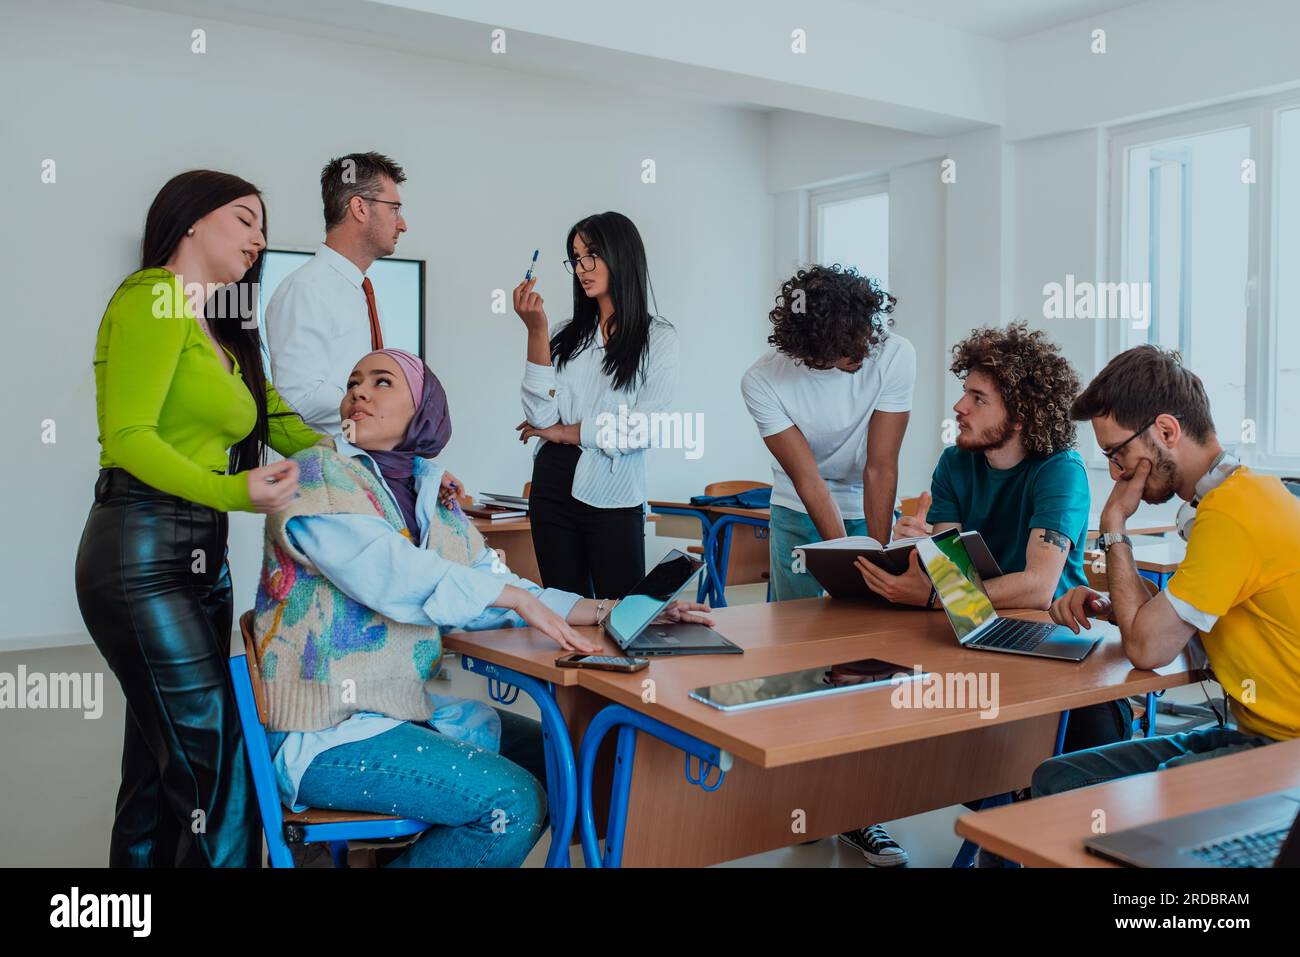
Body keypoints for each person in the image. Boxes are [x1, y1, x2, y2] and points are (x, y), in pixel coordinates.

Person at [257, 349, 712, 866]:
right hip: (323, 733)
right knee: (512, 804)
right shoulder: (317, 476)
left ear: (422, 411)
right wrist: (513, 596)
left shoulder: (426, 494)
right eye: (353, 381)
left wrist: (616, 608)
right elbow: (394, 575)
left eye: (381, 382)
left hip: (397, 711)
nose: (358, 391)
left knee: (571, 762)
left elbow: (498, 586)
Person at [75, 170, 325, 867]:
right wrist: (236, 491)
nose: (259, 237)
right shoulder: (152, 296)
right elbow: (128, 436)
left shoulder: (222, 333)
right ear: (190, 221)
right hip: (141, 554)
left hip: (200, 565)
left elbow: (290, 428)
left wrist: (406, 461)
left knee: (161, 769)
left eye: (263, 226)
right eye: (244, 218)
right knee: (219, 762)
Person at [848, 322, 1134, 865]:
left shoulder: (1060, 470)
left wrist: (936, 592)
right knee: (918, 720)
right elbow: (946, 566)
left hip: (1058, 651)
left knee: (1081, 750)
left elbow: (1038, 583)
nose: (959, 406)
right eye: (965, 393)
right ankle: (999, 816)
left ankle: (1031, 820)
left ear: (1020, 416)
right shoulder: (956, 462)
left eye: (978, 398)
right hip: (974, 635)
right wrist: (921, 548)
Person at [1034, 345, 1300, 797]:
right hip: (1256, 734)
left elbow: (1147, 649)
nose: (1117, 474)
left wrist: (1114, 525)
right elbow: (1168, 623)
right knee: (1058, 777)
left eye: (1118, 453)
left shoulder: (1232, 515)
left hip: (1285, 751)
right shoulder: (1235, 497)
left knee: (1140, 799)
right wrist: (1116, 605)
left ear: (1166, 429)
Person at [514, 211, 678, 598]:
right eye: (575, 258)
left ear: (621, 256)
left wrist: (562, 432)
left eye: (591, 256)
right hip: (552, 483)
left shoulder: (658, 338)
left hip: (614, 488)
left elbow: (643, 428)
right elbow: (539, 416)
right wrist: (536, 332)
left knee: (621, 610)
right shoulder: (562, 335)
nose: (581, 268)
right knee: (564, 607)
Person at [741, 264, 914, 604]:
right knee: (794, 627)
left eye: (864, 334)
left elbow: (880, 467)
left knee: (874, 615)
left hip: (870, 502)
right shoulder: (762, 381)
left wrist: (875, 557)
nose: (863, 349)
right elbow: (809, 481)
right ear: (813, 352)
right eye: (847, 346)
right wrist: (848, 564)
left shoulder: (894, 354)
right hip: (798, 506)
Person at [265, 151, 409, 441]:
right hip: (327, 474)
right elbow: (298, 398)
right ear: (359, 208)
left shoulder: (364, 294)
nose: (402, 224)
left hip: (357, 468)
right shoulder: (306, 288)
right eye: (394, 208)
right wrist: (392, 412)